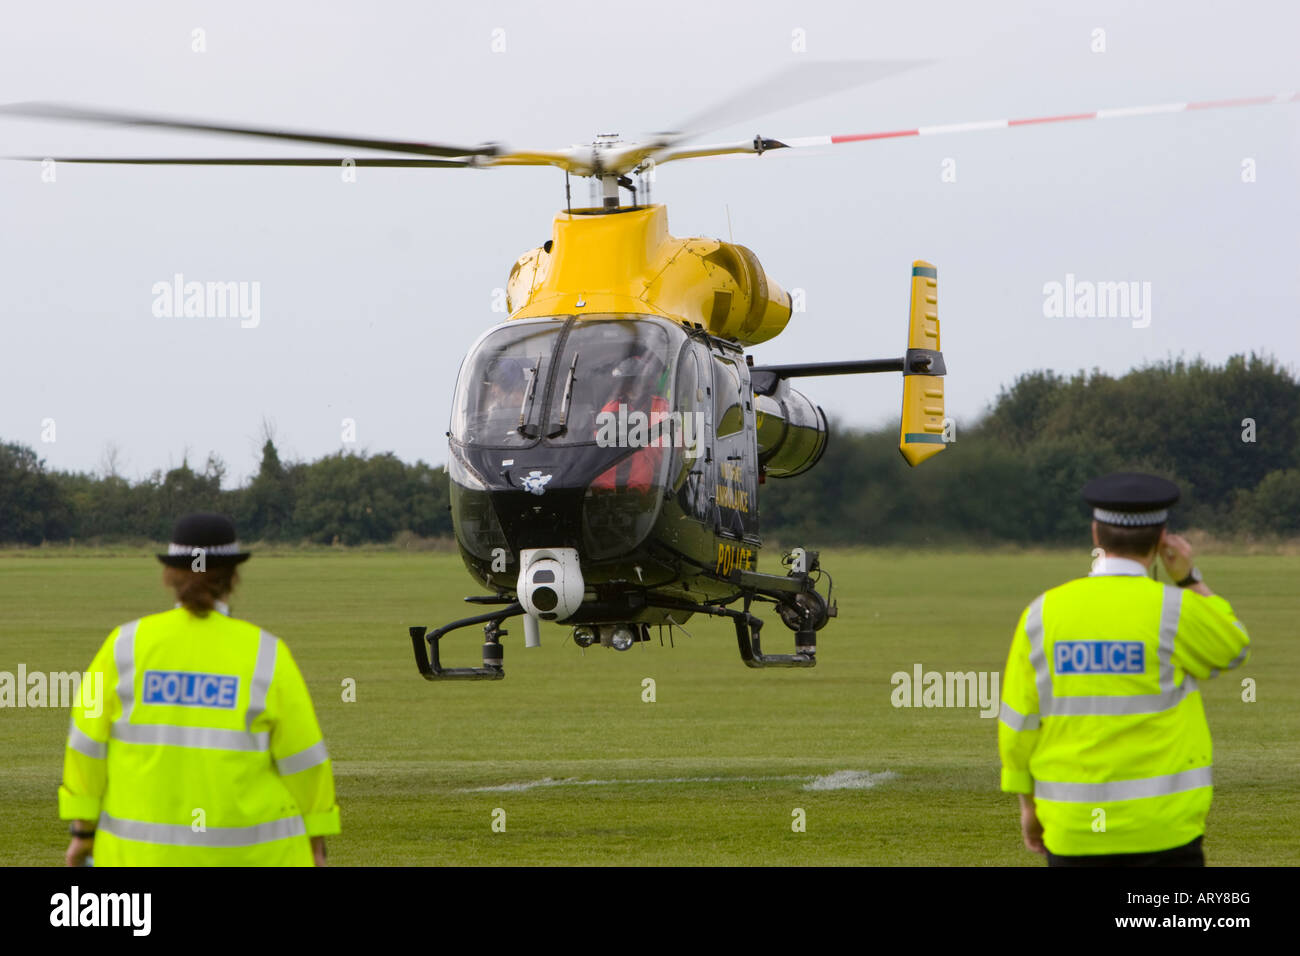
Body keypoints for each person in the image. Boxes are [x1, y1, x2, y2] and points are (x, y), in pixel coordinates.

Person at [60, 513, 340, 866]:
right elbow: (305, 763)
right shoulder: (267, 655)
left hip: (137, 858)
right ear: (233, 577)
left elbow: (85, 748)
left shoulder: (122, 647)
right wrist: (317, 839)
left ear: (170, 575)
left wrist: (83, 832)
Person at [998, 473, 1250, 866]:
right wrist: (1188, 578)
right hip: (1164, 830)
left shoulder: (1041, 615)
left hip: (1071, 827)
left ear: (1095, 534)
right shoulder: (1175, 609)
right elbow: (1234, 648)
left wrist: (1028, 806)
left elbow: (1018, 726)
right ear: (1162, 538)